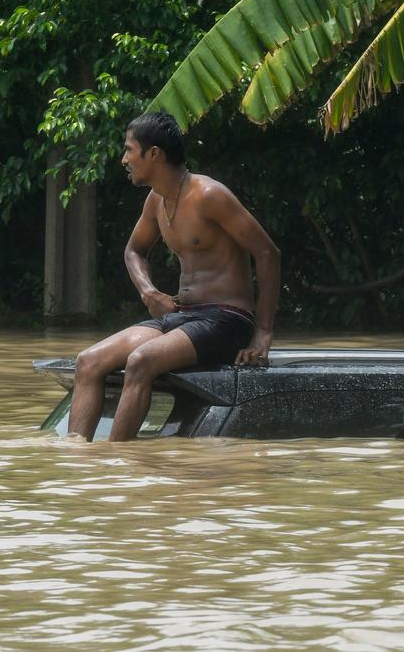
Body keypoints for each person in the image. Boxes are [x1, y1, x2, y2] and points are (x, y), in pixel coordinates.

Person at [68, 111, 280, 442]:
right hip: (182, 316)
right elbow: (133, 251)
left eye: (128, 150)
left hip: (226, 320)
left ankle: (116, 464)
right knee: (88, 362)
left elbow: (267, 253)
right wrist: (149, 292)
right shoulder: (156, 201)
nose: (124, 159)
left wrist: (263, 334)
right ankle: (74, 460)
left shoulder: (209, 195)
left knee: (140, 361)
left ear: (154, 154)